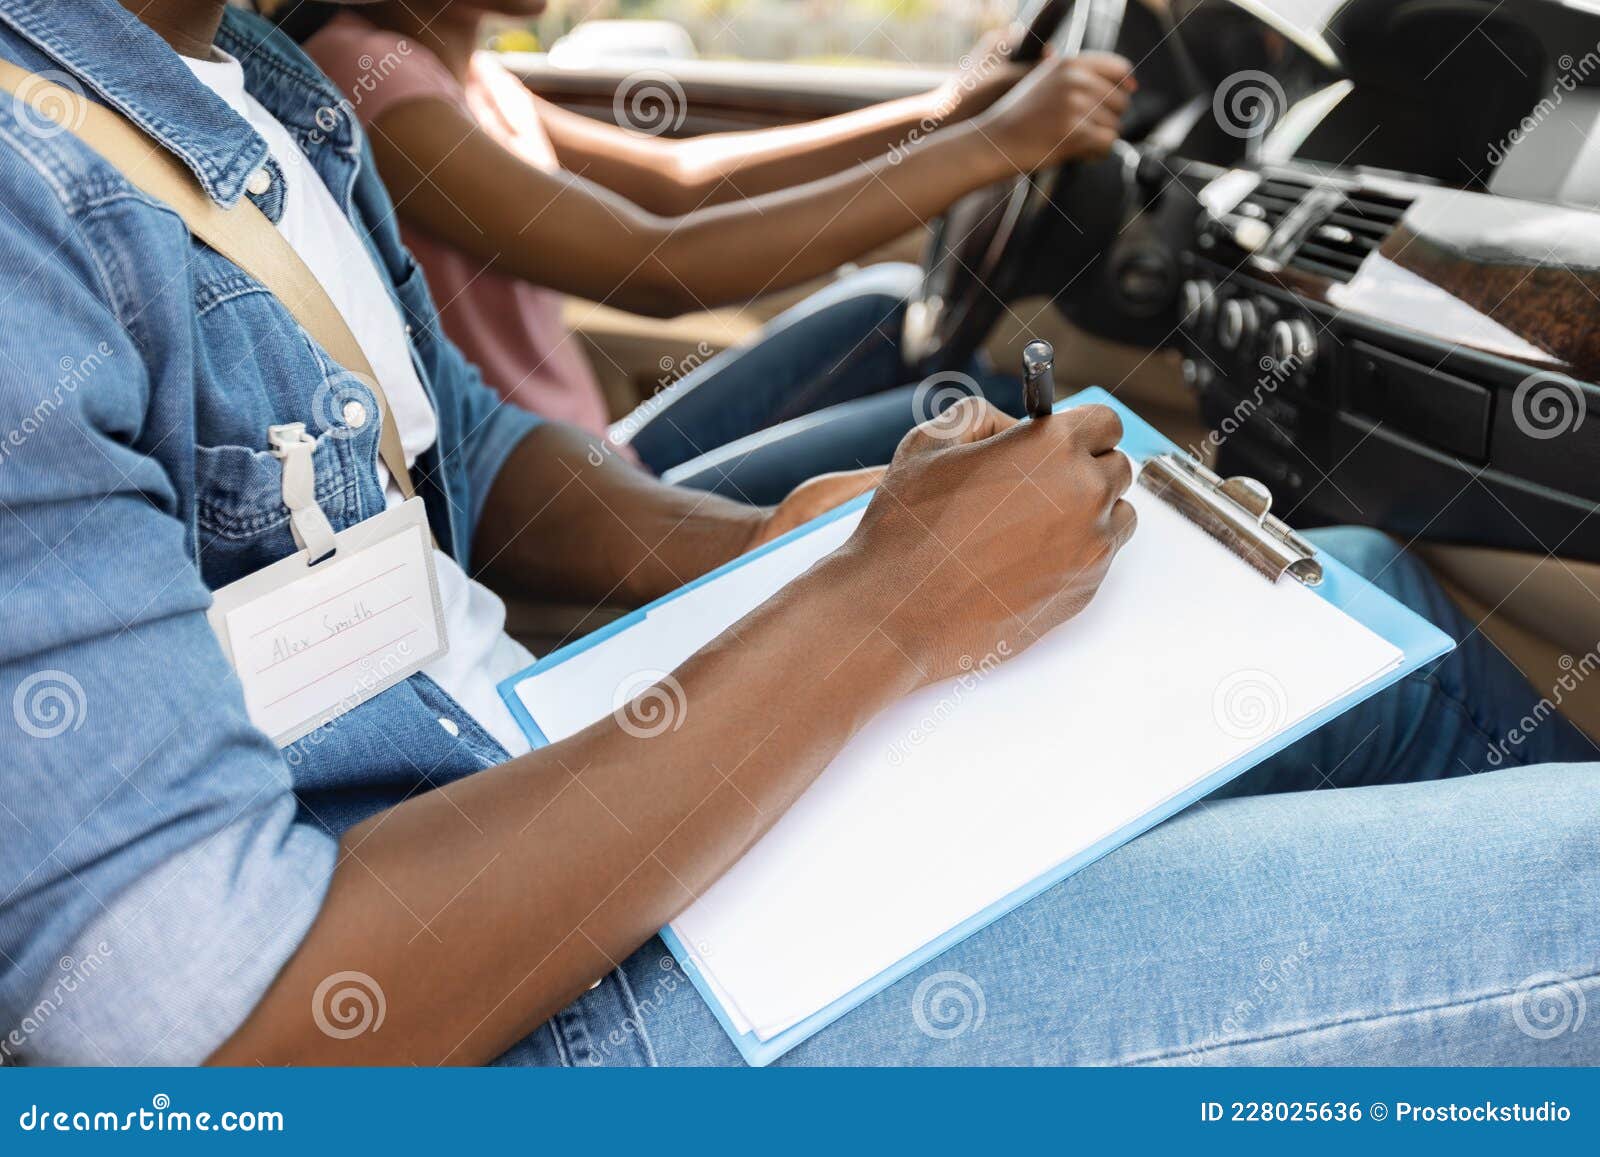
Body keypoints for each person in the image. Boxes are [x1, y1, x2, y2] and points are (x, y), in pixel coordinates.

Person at [0, 0, 1594, 1071]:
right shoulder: (33, 189)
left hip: (537, 766)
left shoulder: (250, 84)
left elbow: (457, 461)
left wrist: (767, 550)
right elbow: (220, 1033)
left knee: (1358, 613)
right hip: (498, 1006)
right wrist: (882, 605)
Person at [295, 1, 1136, 503]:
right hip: (552, 505)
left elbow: (680, 184)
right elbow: (656, 268)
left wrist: (952, 112)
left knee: (883, 311)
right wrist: (995, 145)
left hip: (596, 452)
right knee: (983, 413)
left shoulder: (466, 73)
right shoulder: (369, 82)